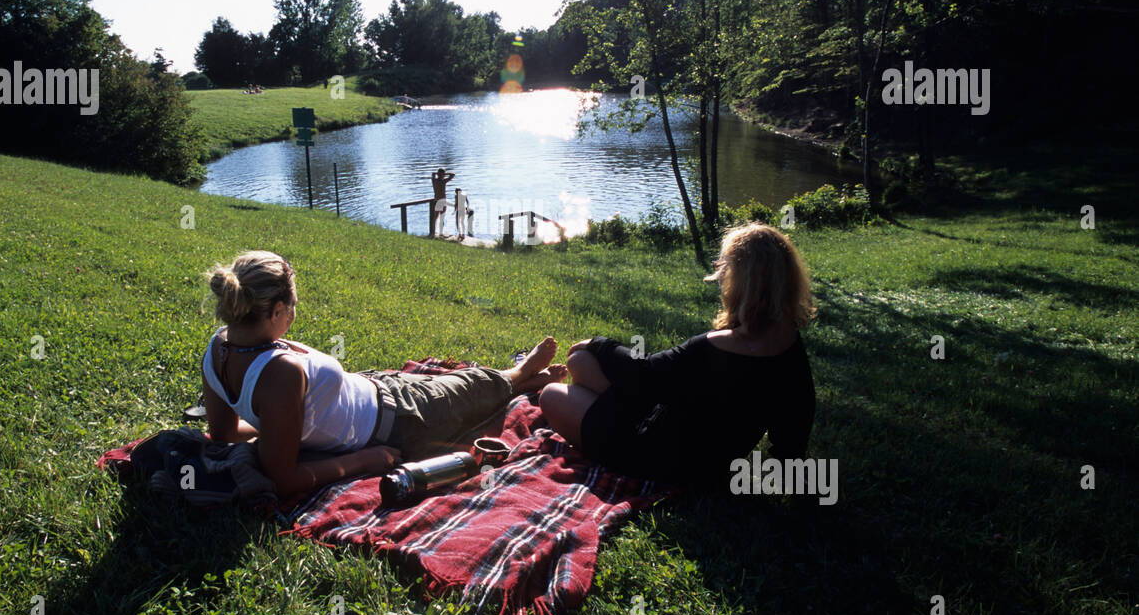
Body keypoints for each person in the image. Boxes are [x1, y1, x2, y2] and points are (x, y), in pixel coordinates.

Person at [201, 251, 567, 498]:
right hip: (398, 420)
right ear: (277, 309)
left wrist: (280, 429)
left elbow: (225, 432)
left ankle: (520, 382)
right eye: (294, 305)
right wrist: (362, 461)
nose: (295, 311)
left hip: (377, 387)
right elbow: (283, 479)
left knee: (448, 383)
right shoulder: (280, 374)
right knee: (469, 386)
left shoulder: (219, 346)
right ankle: (520, 372)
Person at [538, 223, 817, 490]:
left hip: (649, 456)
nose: (719, 276)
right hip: (704, 458)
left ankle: (596, 429)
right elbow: (793, 432)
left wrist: (597, 343)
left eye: (723, 268)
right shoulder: (790, 347)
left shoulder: (715, 346)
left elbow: (645, 373)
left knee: (550, 394)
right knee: (579, 363)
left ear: (740, 282)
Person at [431, 167, 454, 236]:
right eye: (444, 174)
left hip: (436, 200)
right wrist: (445, 174)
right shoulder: (443, 181)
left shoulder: (434, 180)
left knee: (435, 217)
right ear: (442, 175)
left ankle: (434, 231)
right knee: (441, 217)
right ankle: (440, 232)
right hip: (442, 201)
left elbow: (432, 175)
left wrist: (437, 173)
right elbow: (453, 175)